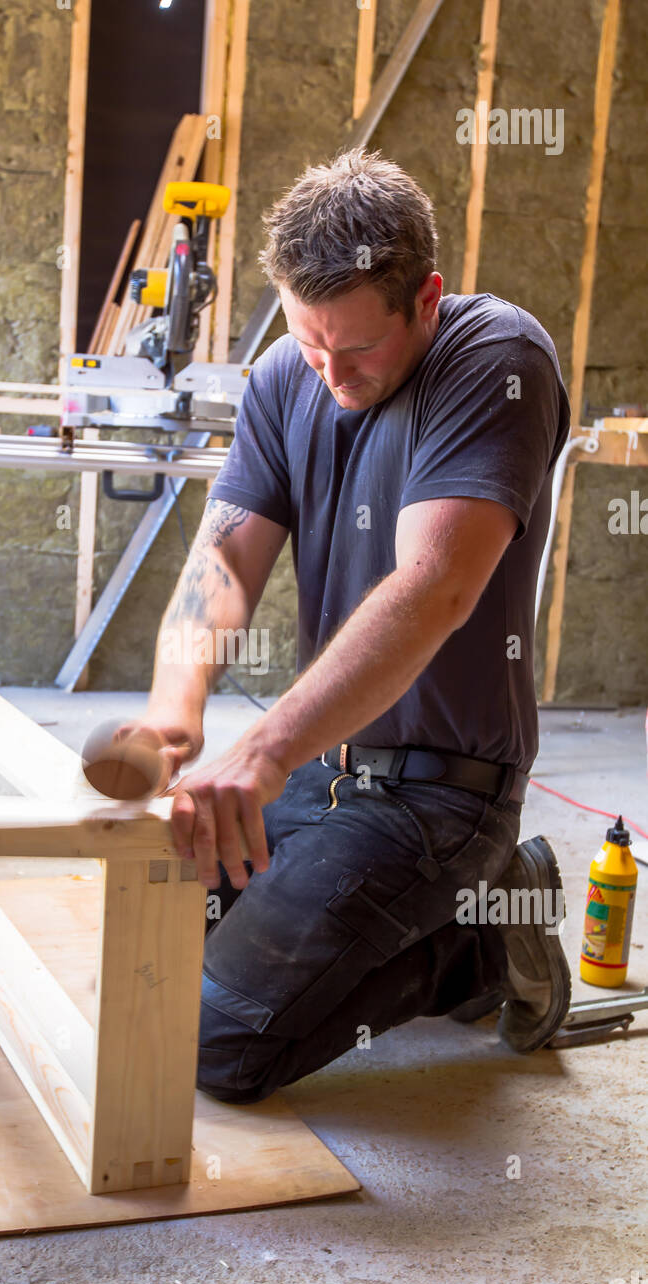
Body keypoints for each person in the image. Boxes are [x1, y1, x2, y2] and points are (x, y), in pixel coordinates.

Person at [138, 147, 572, 1105]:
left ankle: (481, 937)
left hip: (436, 798)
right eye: (308, 340)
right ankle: (447, 923)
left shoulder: (495, 360)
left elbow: (432, 588)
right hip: (319, 774)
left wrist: (261, 749)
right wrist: (175, 714)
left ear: (426, 297)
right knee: (144, 971)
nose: (329, 371)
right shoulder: (283, 377)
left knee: (214, 1048)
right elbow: (224, 558)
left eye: (357, 348)